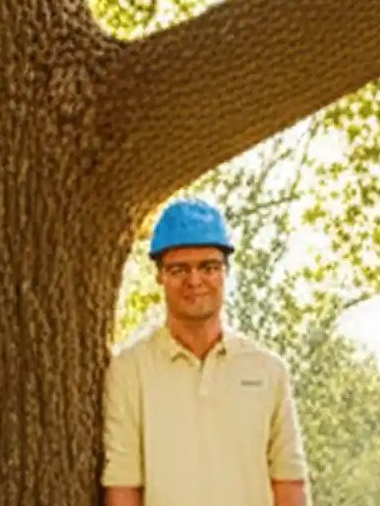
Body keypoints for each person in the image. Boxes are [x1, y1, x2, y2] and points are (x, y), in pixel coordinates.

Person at [101, 198, 310, 506]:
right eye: (179, 269)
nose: (194, 281)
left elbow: (289, 483)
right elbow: (123, 487)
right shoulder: (129, 371)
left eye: (208, 267)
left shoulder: (268, 371)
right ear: (159, 276)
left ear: (226, 271)